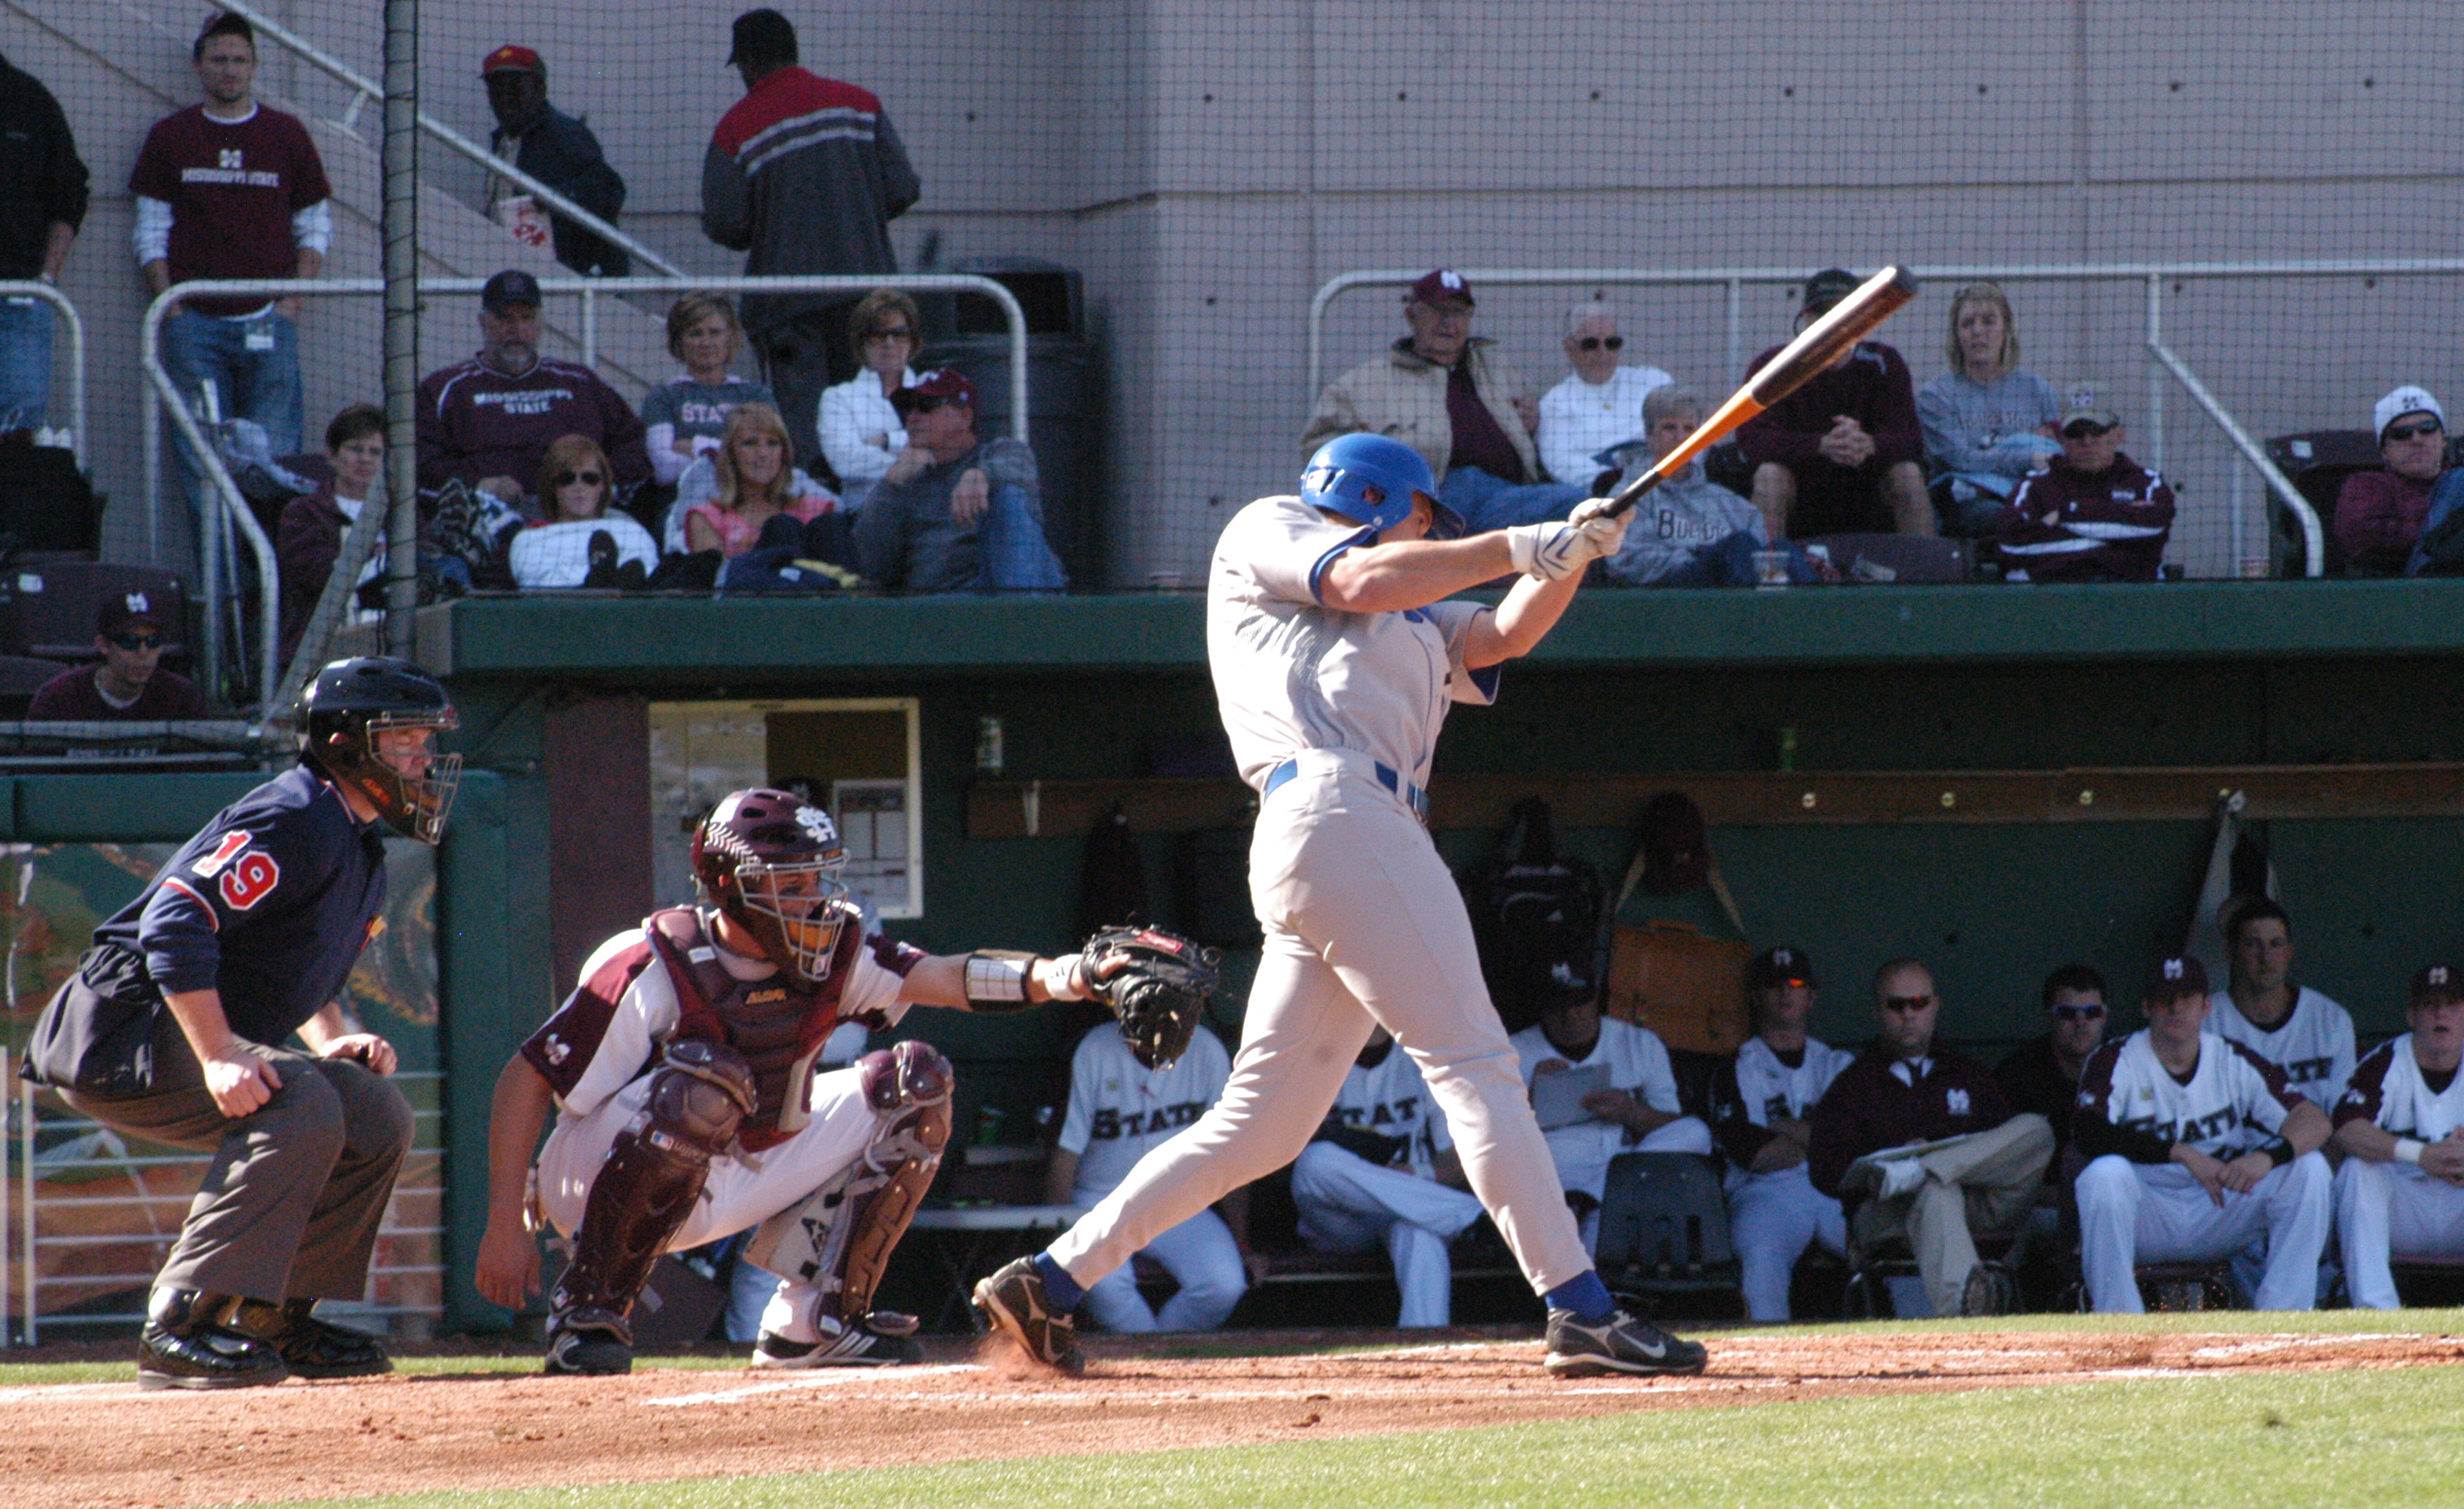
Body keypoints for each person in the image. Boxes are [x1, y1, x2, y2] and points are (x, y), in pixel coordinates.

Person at [972, 432, 1711, 1380]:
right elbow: (1361, 581)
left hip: (1343, 834)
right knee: (1477, 1062)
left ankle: (1049, 1279)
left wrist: (1574, 553)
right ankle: (1580, 1309)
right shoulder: (1272, 530)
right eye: (1418, 515)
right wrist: (1517, 542)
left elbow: (1501, 635)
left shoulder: (1415, 609)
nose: (1427, 530)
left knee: (1263, 1126)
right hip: (1335, 809)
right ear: (1371, 498)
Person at [473, 786, 1166, 1374]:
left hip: (735, 1166)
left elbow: (943, 977)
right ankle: (587, 1310)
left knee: (915, 1081)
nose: (814, 901)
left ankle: (813, 1323)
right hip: (592, 1178)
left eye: (816, 880)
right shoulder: (652, 960)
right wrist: (505, 1220)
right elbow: (526, 1079)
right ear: (731, 885)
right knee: (706, 1084)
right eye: (791, 884)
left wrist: (1073, 975)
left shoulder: (837, 949)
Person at [19, 657, 454, 1388]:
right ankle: (179, 1322)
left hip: (168, 1030)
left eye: (426, 740)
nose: (424, 757)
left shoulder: (357, 841)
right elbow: (175, 919)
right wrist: (221, 1052)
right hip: (114, 1030)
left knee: (372, 1110)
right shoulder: (294, 814)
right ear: (348, 743)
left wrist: (327, 1039)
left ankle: (271, 1317)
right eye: (404, 738)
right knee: (302, 1101)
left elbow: (294, 964)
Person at [702, 8, 920, 468]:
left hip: (787, 307)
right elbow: (903, 188)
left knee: (806, 434)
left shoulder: (736, 128)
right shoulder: (859, 104)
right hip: (869, 301)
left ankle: (818, 523)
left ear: (747, 64)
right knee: (877, 418)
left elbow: (728, 225)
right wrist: (852, 215)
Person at [133, 13, 330, 512]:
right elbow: (150, 235)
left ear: (254, 66)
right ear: (199, 66)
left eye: (240, 60)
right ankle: (220, 592)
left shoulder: (286, 135)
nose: (230, 70)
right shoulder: (170, 136)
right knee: (203, 468)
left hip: (269, 323)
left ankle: (272, 586)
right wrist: (172, 309)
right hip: (193, 326)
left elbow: (315, 228)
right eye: (219, 59)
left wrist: (290, 303)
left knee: (276, 467)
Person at [2073, 956, 2332, 1313]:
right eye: (2164, 998)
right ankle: (2119, 1321)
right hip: (2149, 1209)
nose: (2176, 1007)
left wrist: (2266, 1156)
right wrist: (2180, 1152)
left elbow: (2314, 1120)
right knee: (2103, 1176)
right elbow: (2088, 1131)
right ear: (2146, 1007)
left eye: (2187, 997)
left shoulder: (2230, 1058)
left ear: (2206, 1006)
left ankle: (2284, 1316)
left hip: (2219, 1207)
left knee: (2309, 1168)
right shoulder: (2118, 1058)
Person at [1808, 958, 2052, 1317]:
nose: (1909, 1014)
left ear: (1935, 1006)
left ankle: (1924, 1168)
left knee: (2037, 1130)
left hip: (1979, 1202)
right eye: (1896, 1005)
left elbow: (2011, 1152)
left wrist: (1924, 1164)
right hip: (1889, 1213)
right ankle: (1966, 1314)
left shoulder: (1968, 1074)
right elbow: (1825, 1172)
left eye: (1918, 1003)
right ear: (1878, 1011)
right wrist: (1887, 1163)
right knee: (1936, 1192)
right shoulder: (1854, 1085)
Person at [1299, 270, 1588, 535]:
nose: (1448, 323)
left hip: (1505, 496)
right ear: (1412, 315)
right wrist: (1370, 464)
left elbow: (1542, 431)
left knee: (1578, 506)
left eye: (1459, 312)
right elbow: (1318, 448)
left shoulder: (1497, 370)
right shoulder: (1364, 383)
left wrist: (1536, 424)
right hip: (1427, 501)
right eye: (1438, 311)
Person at [1046, 1020, 1249, 1335]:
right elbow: (1065, 1156)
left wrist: (1242, 1242)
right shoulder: (1094, 1049)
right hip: (1098, 1200)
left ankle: (1159, 1352)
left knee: (1223, 1285)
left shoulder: (1206, 1050)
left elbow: (1231, 1153)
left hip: (1177, 1197)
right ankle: (1154, 1352)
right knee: (1105, 1285)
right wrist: (1058, 1238)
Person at [1291, 1027, 1485, 1329]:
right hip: (1342, 1220)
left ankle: (1426, 1349)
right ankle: (1474, 1217)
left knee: (1420, 1234)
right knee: (1314, 1162)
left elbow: (1459, 1158)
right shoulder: (1314, 1062)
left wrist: (1419, 1172)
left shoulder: (1426, 1061)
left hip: (1413, 1210)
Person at [1509, 963, 1713, 1248]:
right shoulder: (1511, 1052)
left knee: (1696, 1132)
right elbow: (1485, 1146)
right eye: (1559, 1006)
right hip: (1557, 1173)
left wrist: (1632, 1111)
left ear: (1596, 1000)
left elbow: (1672, 1125)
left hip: (1626, 1166)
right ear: (1542, 1006)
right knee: (1600, 1221)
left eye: (1578, 1003)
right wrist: (1529, 1102)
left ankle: (1594, 1197)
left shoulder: (1639, 1043)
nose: (1570, 1015)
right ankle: (1598, 1202)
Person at [415, 270, 651, 515]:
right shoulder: (445, 389)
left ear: (540, 324)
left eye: (526, 318)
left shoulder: (580, 383)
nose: (516, 329)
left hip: (577, 515)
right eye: (505, 319)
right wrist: (477, 484)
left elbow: (634, 449)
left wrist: (589, 482)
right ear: (483, 322)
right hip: (485, 516)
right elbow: (420, 467)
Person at [1709, 946, 1853, 1321]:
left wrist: (1782, 1128)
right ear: (1756, 997)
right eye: (1774, 986)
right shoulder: (1737, 1065)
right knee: (1760, 1248)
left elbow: (1857, 1142)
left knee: (1895, 1241)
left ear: (1811, 996)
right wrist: (1823, 1137)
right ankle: (1768, 1353)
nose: (1786, 993)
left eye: (1796, 983)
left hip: (1837, 1190)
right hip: (1766, 1193)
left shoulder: (1838, 1063)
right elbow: (1753, 1153)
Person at [1737, 268, 1930, 541]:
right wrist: (1821, 445)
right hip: (1801, 489)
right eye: (1822, 315)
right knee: (1769, 477)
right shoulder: (1770, 367)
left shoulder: (1886, 363)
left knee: (1908, 475)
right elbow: (1752, 439)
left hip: (1870, 491)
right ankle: (1769, 576)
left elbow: (1911, 439)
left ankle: (1927, 577)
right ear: (1805, 319)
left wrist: (1869, 444)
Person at [853, 369, 1066, 592]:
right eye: (908, 408)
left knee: (1008, 497)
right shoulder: (907, 486)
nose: (912, 417)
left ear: (964, 417)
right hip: (950, 606)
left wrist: (979, 475)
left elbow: (1018, 465)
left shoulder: (997, 453)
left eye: (926, 406)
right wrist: (891, 483)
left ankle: (1021, 618)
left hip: (1014, 586)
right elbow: (871, 565)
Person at [2332, 964, 2464, 1310]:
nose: (2441, 1013)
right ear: (2411, 1015)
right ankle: (2377, 1312)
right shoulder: (2388, 1059)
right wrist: (2420, 1155)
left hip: (2458, 1204)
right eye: (2430, 1004)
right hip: (2405, 1208)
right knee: (2357, 1174)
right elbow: (2346, 1127)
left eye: (2451, 1003)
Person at [1595, 384, 1787, 587]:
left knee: (1784, 551)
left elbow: (1761, 553)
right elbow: (1626, 561)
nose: (1680, 438)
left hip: (1731, 590)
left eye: (1689, 429)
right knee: (1737, 546)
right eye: (1670, 427)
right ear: (1649, 434)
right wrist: (1699, 557)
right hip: (1669, 594)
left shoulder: (1724, 501)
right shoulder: (1628, 497)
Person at [1914, 282, 2061, 536]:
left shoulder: (2037, 389)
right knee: (1996, 515)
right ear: (1956, 335)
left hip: (2032, 493)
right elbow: (1961, 460)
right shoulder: (1934, 396)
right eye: (1968, 323)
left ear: (2006, 330)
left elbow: (2053, 455)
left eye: (1989, 321)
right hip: (1968, 501)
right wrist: (2026, 456)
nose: (1978, 331)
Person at [1990, 382, 2176, 583]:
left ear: (2118, 435)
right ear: (2062, 438)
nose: (2086, 441)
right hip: (2053, 600)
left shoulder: (2147, 482)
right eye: (2075, 432)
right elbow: (2012, 544)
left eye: (2096, 430)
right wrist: (2112, 550)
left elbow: (2155, 525)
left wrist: (2063, 515)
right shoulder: (2034, 486)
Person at [477, 46, 629, 278]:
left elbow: (610, 189)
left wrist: (558, 197)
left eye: (516, 87)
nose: (505, 97)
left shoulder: (563, 135)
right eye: (496, 88)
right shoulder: (505, 139)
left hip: (568, 276)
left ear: (540, 88)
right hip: (520, 267)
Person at [0, 48, 87, 436]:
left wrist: (45, 281)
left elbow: (70, 193)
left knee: (18, 430)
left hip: (17, 299)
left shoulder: (30, 99)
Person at [2207, 898, 2355, 1113]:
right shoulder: (2205, 1021)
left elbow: (2344, 1118)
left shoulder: (2330, 1019)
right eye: (2252, 944)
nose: (2265, 957)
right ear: (2230, 952)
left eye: (2276, 944)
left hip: (2315, 1144)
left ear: (2289, 951)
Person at [276, 404, 388, 666]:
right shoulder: (302, 512)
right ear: (331, 455)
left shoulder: (402, 513)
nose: (365, 459)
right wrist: (374, 554)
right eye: (355, 449)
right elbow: (314, 575)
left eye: (375, 452)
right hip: (325, 645)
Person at [641, 294, 777, 487]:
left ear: (730, 337)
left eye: (714, 332)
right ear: (679, 341)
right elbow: (665, 469)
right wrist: (739, 456)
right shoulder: (663, 396)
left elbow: (770, 461)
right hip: (684, 498)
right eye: (695, 333)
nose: (706, 342)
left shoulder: (755, 395)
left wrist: (695, 447)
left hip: (747, 498)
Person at [1535, 301, 1673, 489]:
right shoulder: (1555, 403)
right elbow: (1559, 461)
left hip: (1666, 479)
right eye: (1591, 344)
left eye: (1612, 343)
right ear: (1569, 348)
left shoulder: (1654, 383)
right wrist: (1620, 482)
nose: (1603, 353)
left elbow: (1692, 433)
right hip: (1605, 493)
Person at [1992, 964, 2111, 1181]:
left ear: (2104, 1016)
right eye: (2067, 1013)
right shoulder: (2016, 1075)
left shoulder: (2129, 1066)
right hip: (2036, 1205)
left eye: (2092, 1012)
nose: (2081, 1022)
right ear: (2048, 1019)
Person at [681, 403, 837, 559]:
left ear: (784, 453)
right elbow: (717, 581)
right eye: (750, 443)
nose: (763, 453)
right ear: (731, 453)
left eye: (772, 443)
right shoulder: (708, 518)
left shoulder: (816, 511)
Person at [507, 435, 660, 589]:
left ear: (603, 485)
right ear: (552, 487)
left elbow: (646, 572)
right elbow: (539, 584)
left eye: (590, 478)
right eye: (567, 478)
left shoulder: (632, 531)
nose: (579, 486)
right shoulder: (529, 539)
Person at [28, 591, 209, 721]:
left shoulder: (182, 698)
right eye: (130, 642)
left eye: (153, 642)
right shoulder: (58, 698)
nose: (143, 653)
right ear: (104, 645)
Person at [816, 288, 924, 507]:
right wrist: (914, 459)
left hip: (926, 507)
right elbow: (846, 463)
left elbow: (948, 449)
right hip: (867, 509)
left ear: (912, 340)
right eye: (878, 334)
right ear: (863, 342)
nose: (890, 343)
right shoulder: (838, 398)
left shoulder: (932, 386)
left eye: (900, 333)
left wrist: (887, 441)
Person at [2333, 385, 2446, 576]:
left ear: (2443, 440)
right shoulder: (2366, 488)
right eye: (2401, 434)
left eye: (2427, 429)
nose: (2416, 439)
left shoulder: (2458, 482)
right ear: (2384, 450)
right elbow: (2362, 538)